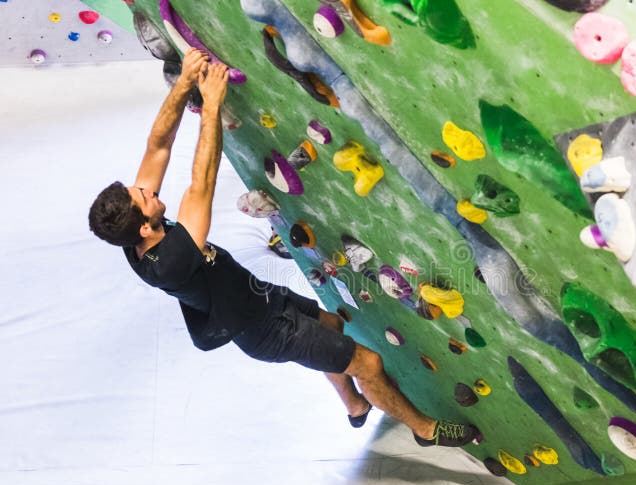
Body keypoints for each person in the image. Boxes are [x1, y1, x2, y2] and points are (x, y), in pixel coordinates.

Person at [88, 49, 479, 448]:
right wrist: (211, 103)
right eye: (142, 197)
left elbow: (157, 147)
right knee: (369, 363)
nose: (146, 189)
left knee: (333, 325)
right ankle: (426, 430)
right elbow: (200, 182)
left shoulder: (133, 230)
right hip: (264, 330)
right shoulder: (169, 261)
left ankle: (355, 406)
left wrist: (186, 81)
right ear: (144, 227)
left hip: (255, 296)